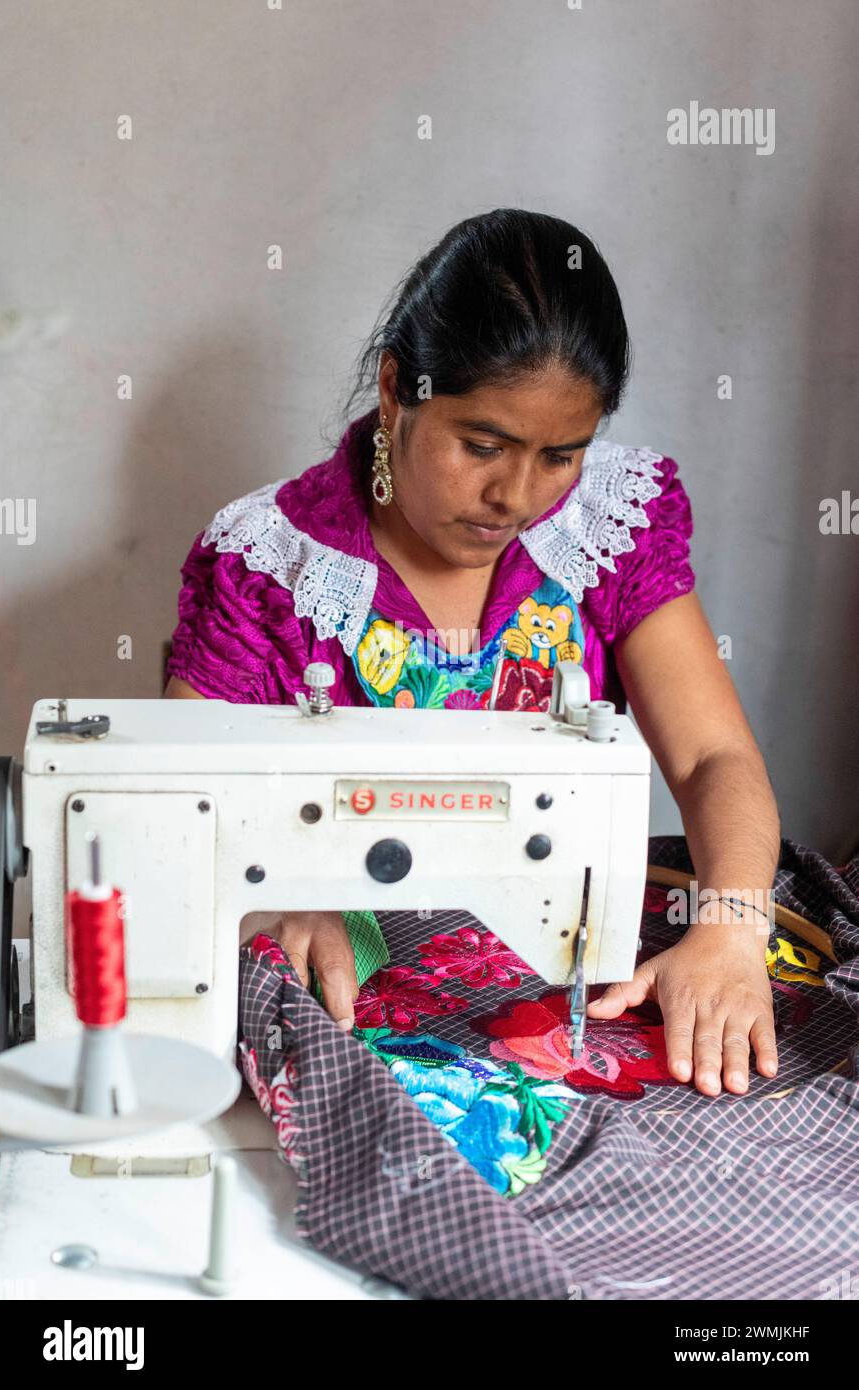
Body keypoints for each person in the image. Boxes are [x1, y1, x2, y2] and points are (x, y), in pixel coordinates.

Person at [165, 208, 781, 1099]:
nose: (516, 495)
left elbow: (711, 753)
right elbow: (181, 805)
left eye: (559, 455)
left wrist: (729, 925)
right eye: (482, 445)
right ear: (394, 389)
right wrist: (271, 903)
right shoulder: (272, 566)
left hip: (556, 941)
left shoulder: (604, 527)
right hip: (353, 966)